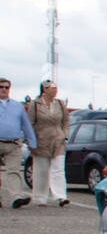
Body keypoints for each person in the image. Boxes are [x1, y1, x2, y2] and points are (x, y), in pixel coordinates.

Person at [28, 80, 70, 207]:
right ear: (44, 89)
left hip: (58, 140)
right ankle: (40, 197)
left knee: (58, 169)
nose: (55, 90)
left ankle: (61, 196)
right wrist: (31, 139)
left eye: (56, 88)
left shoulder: (60, 104)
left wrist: (65, 135)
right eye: (52, 88)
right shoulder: (35, 104)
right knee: (41, 169)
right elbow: (30, 123)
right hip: (41, 140)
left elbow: (66, 121)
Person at [0, 76, 36, 209]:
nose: (4, 89)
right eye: (1, 87)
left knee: (14, 171)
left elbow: (26, 125)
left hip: (13, 144)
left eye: (6, 87)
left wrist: (32, 142)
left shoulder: (17, 106)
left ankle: (17, 197)